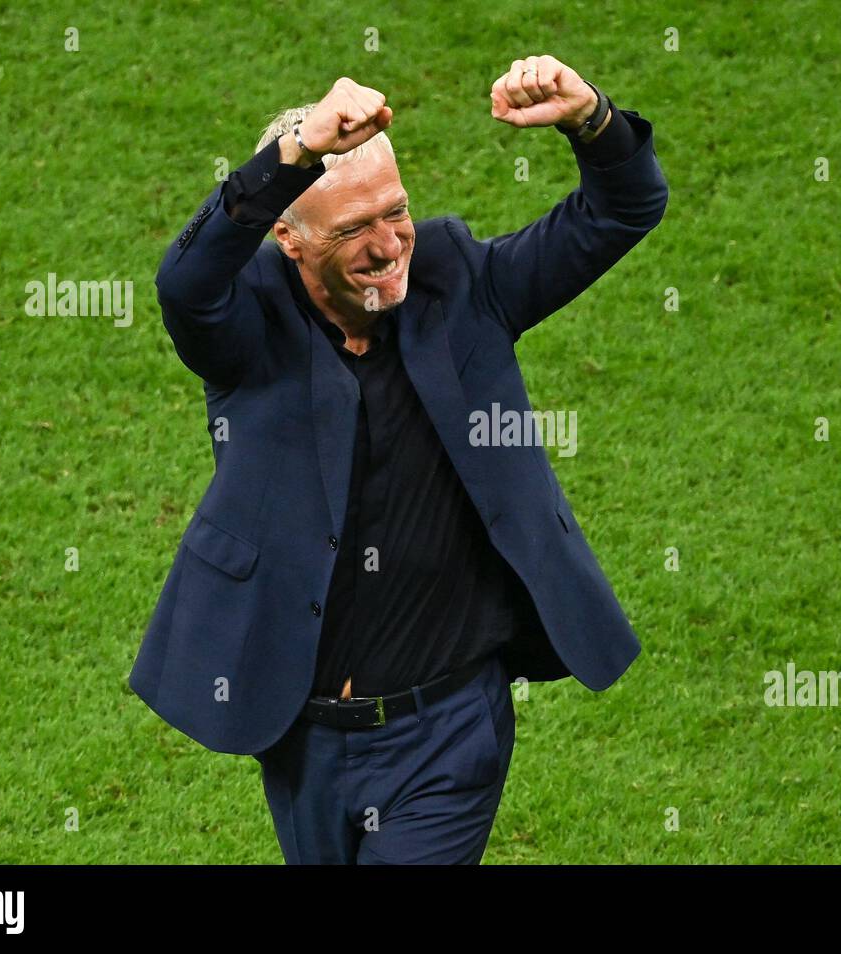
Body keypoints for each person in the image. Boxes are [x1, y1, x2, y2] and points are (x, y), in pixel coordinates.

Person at [128, 54, 669, 863]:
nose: (389, 247)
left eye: (396, 212)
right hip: (303, 734)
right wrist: (297, 150)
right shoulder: (247, 332)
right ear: (289, 237)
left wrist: (590, 114)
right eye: (353, 228)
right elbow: (184, 283)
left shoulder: (461, 282)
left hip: (448, 731)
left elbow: (624, 209)